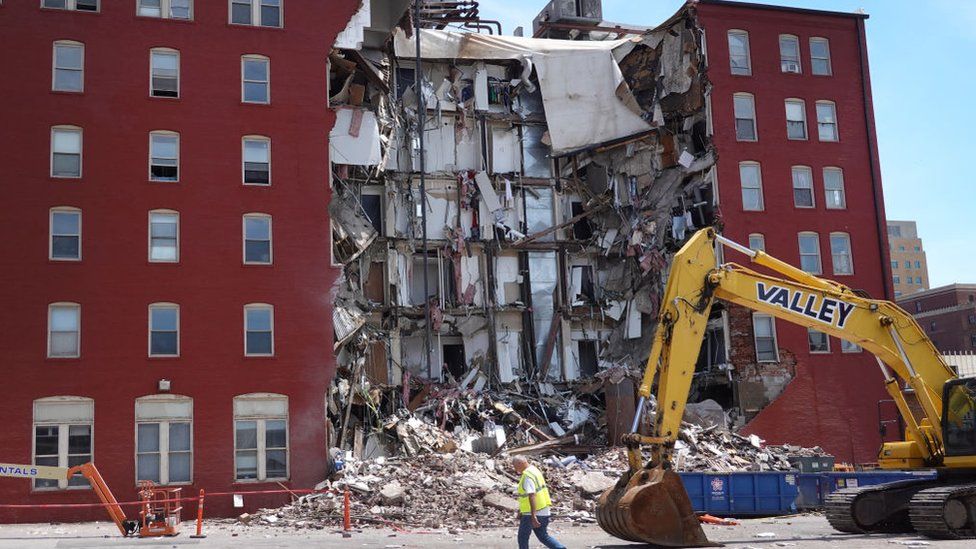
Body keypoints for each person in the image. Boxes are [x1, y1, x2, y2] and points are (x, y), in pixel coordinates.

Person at [511, 455, 566, 549]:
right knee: (543, 536)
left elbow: (532, 495)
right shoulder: (534, 470)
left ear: (520, 463)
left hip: (531, 513)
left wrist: (533, 516)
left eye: (515, 466)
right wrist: (521, 510)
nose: (515, 469)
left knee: (522, 537)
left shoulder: (527, 476)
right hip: (544, 510)